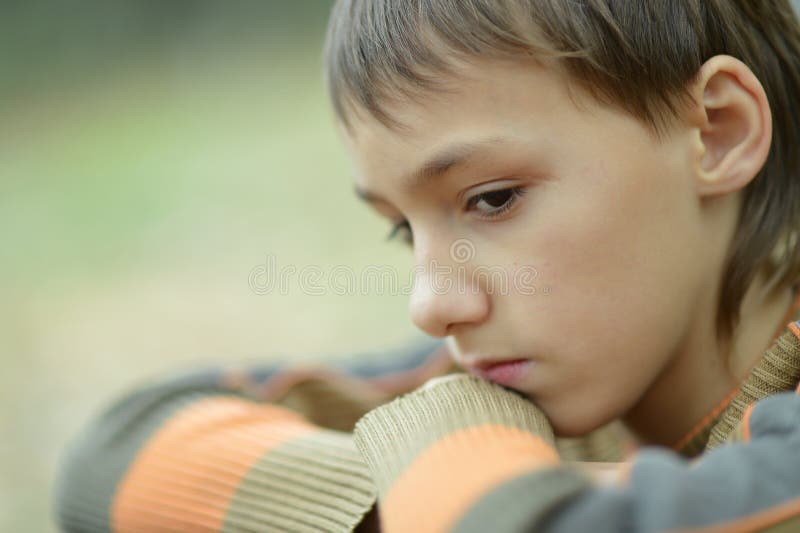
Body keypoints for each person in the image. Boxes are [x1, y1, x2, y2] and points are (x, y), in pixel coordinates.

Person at [55, 1, 800, 531]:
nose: (431, 305)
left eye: (494, 199)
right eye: (401, 230)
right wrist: (444, 478)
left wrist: (474, 487)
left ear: (718, 132)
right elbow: (115, 453)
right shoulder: (513, 391)